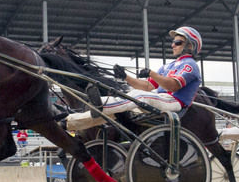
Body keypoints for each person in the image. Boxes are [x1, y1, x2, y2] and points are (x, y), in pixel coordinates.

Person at [65, 26, 203, 131]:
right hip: (160, 100)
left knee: (138, 96)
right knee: (119, 110)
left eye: (178, 42)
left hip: (174, 103)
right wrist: (125, 77)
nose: (173, 45)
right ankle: (70, 122)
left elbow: (173, 86)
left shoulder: (190, 65)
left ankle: (100, 103)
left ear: (190, 46)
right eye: (173, 42)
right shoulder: (168, 66)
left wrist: (151, 73)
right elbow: (147, 86)